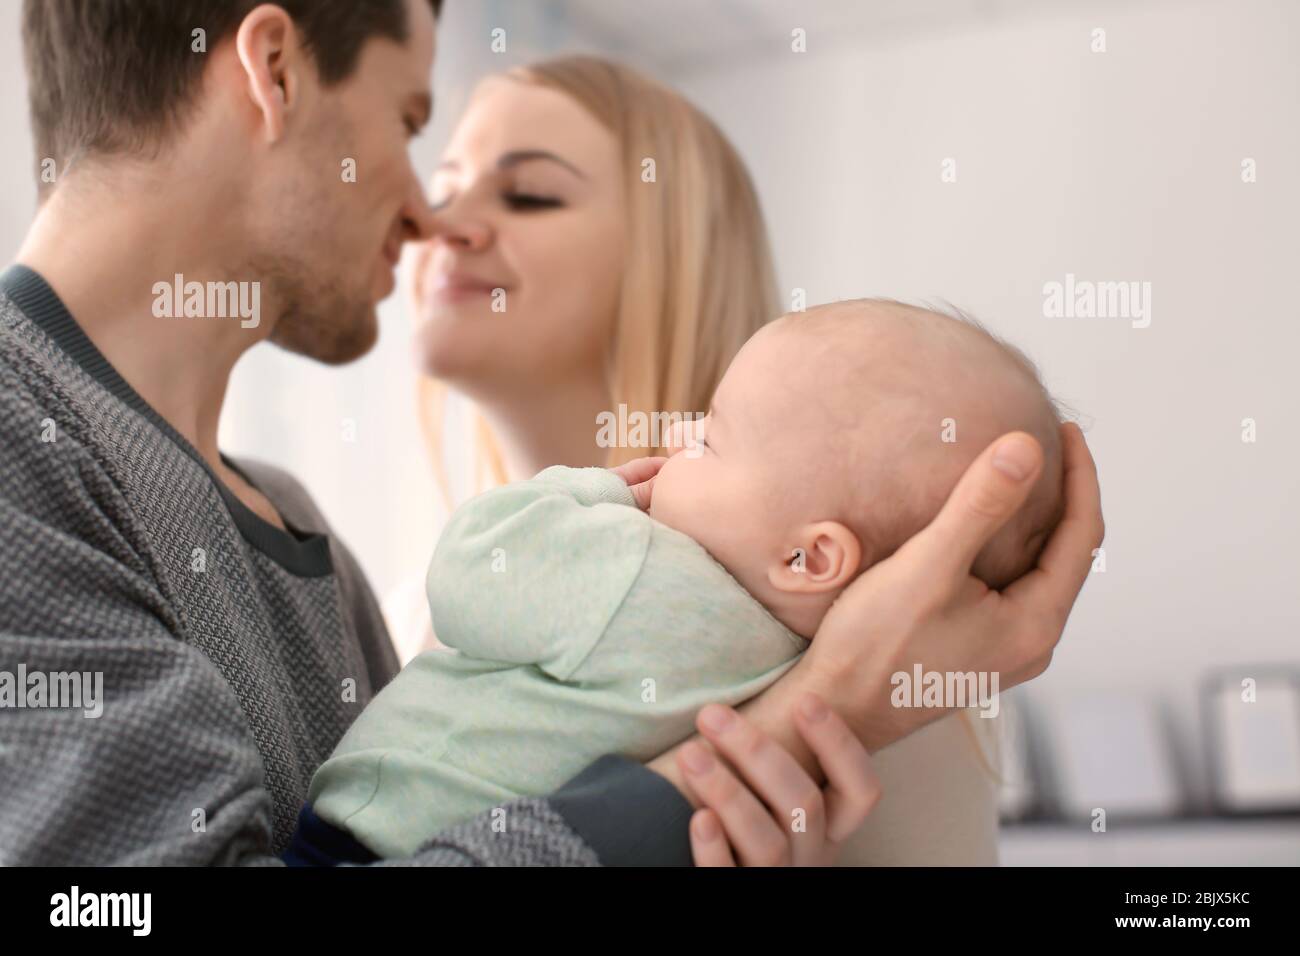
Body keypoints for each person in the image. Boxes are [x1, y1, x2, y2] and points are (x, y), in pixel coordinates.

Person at [0, 1, 1102, 867]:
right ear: (272, 71)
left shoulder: (319, 550)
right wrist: (810, 717)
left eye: (529, 194)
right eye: (412, 125)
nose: (434, 216)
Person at [396, 55, 1055, 862]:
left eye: (529, 193)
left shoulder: (895, 674)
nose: (440, 224)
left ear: (674, 257)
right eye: (441, 189)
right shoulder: (413, 609)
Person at [300, 299, 1065, 861]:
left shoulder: (633, 568)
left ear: (810, 558)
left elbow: (465, 571)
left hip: (374, 832)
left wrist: (597, 493)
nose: (675, 438)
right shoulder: (796, 671)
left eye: (708, 440)